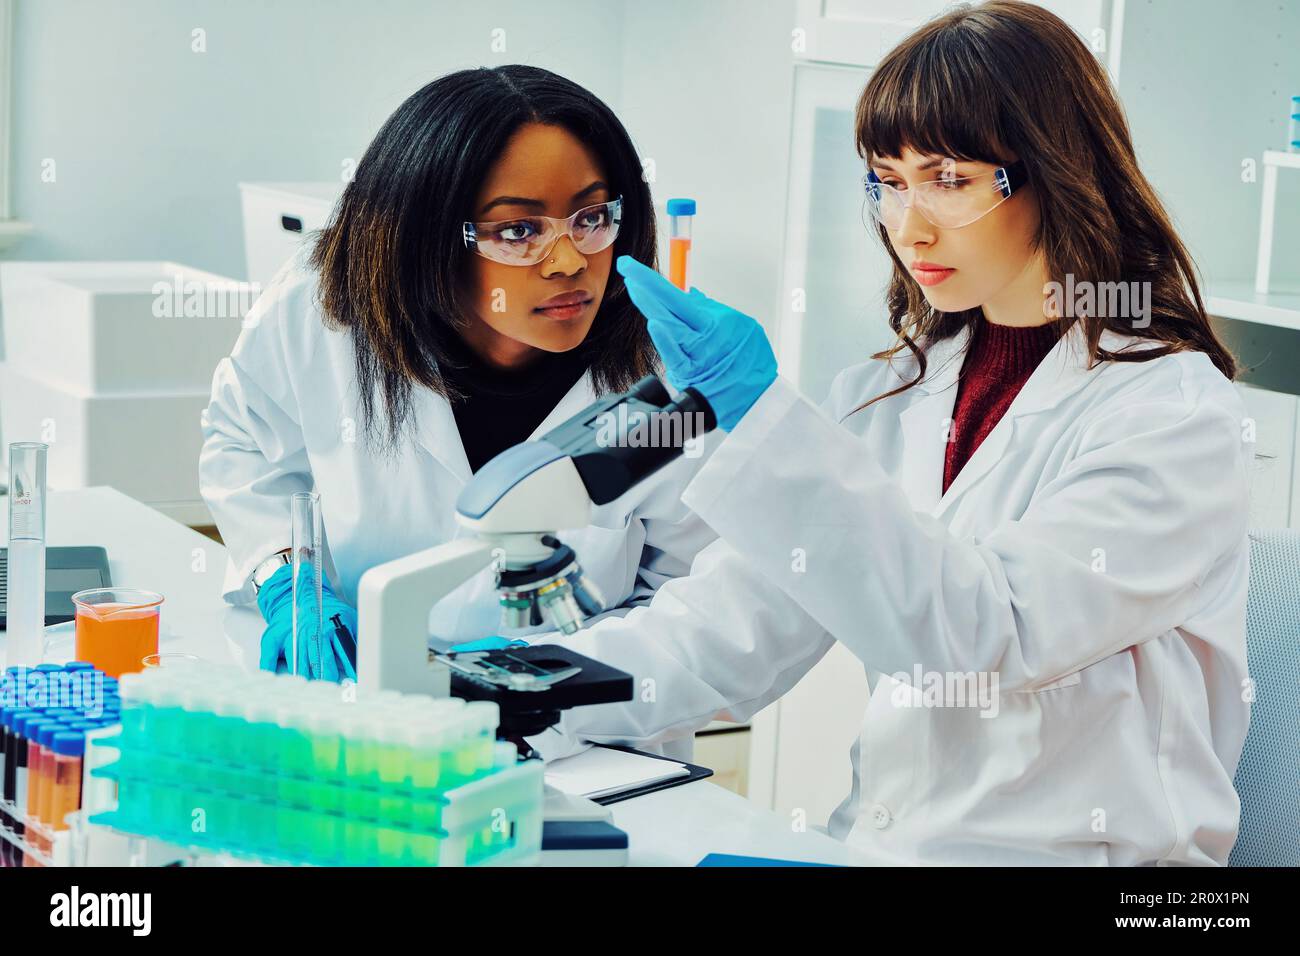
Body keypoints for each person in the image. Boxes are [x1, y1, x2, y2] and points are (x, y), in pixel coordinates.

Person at [529, 1, 1253, 865]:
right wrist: (518, 684)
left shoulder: (1170, 414)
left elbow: (989, 634)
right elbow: (728, 628)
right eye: (889, 178)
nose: (907, 225)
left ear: (1055, 173)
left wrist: (765, 420)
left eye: (950, 179)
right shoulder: (891, 392)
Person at [199, 66, 716, 681]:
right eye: (519, 230)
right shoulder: (320, 314)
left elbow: (695, 595)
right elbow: (244, 445)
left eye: (590, 217)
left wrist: (541, 684)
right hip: (359, 713)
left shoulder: (672, 374)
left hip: (588, 749)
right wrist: (285, 580)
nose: (570, 260)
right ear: (426, 237)